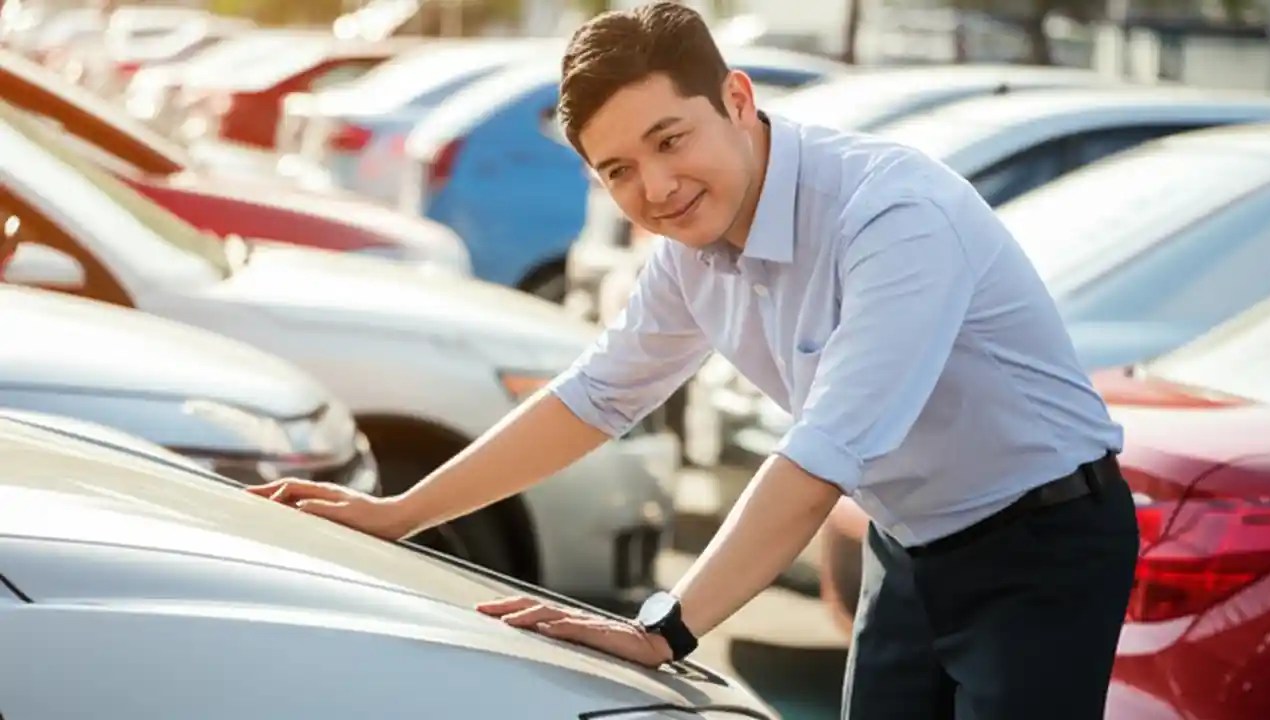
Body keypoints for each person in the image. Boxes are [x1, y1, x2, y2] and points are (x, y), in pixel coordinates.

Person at [249, 3, 1139, 718]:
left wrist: (667, 628)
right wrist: (403, 512)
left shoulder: (893, 216)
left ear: (739, 101)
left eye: (670, 141)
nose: (656, 189)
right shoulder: (689, 254)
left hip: (1044, 546)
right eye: (618, 171)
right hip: (905, 548)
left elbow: (827, 448)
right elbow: (597, 396)